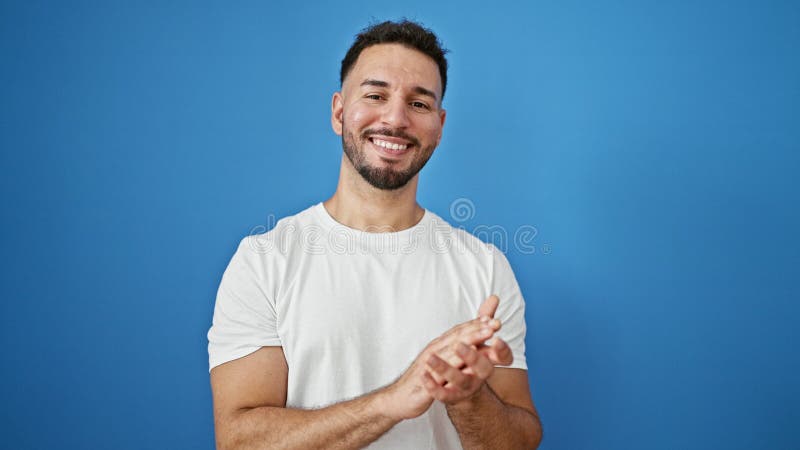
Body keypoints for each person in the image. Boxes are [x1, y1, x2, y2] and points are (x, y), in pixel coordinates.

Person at [208, 19, 543, 449]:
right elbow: (238, 442)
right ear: (339, 112)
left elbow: (518, 442)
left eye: (419, 104)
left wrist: (466, 396)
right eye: (376, 95)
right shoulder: (264, 261)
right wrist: (394, 400)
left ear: (439, 127)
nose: (395, 118)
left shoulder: (486, 268)